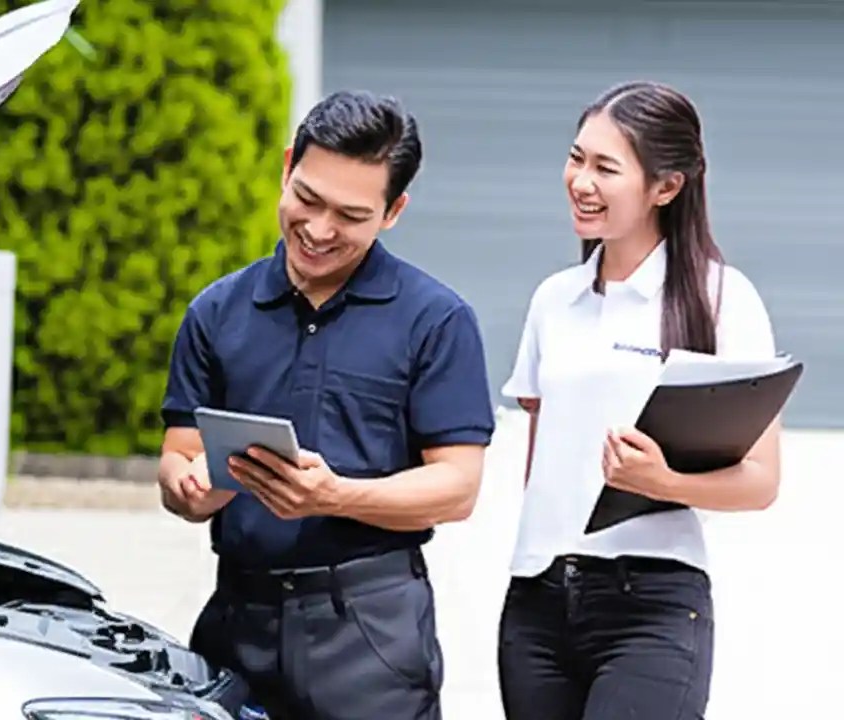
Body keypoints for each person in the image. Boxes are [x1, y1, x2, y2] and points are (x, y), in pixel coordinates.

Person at [156, 89, 496, 720]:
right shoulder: (216, 312)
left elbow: (458, 488)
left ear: (394, 211)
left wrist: (335, 495)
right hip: (236, 622)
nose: (317, 229)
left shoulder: (436, 320)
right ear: (287, 166)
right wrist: (193, 489)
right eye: (306, 198)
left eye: (350, 215)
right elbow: (178, 459)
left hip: (369, 631)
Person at [496, 80, 783, 719]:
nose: (581, 181)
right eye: (576, 158)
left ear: (666, 186)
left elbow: (760, 483)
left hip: (652, 604)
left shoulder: (720, 298)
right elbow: (540, 468)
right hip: (538, 603)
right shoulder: (553, 300)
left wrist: (663, 480)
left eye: (606, 167)